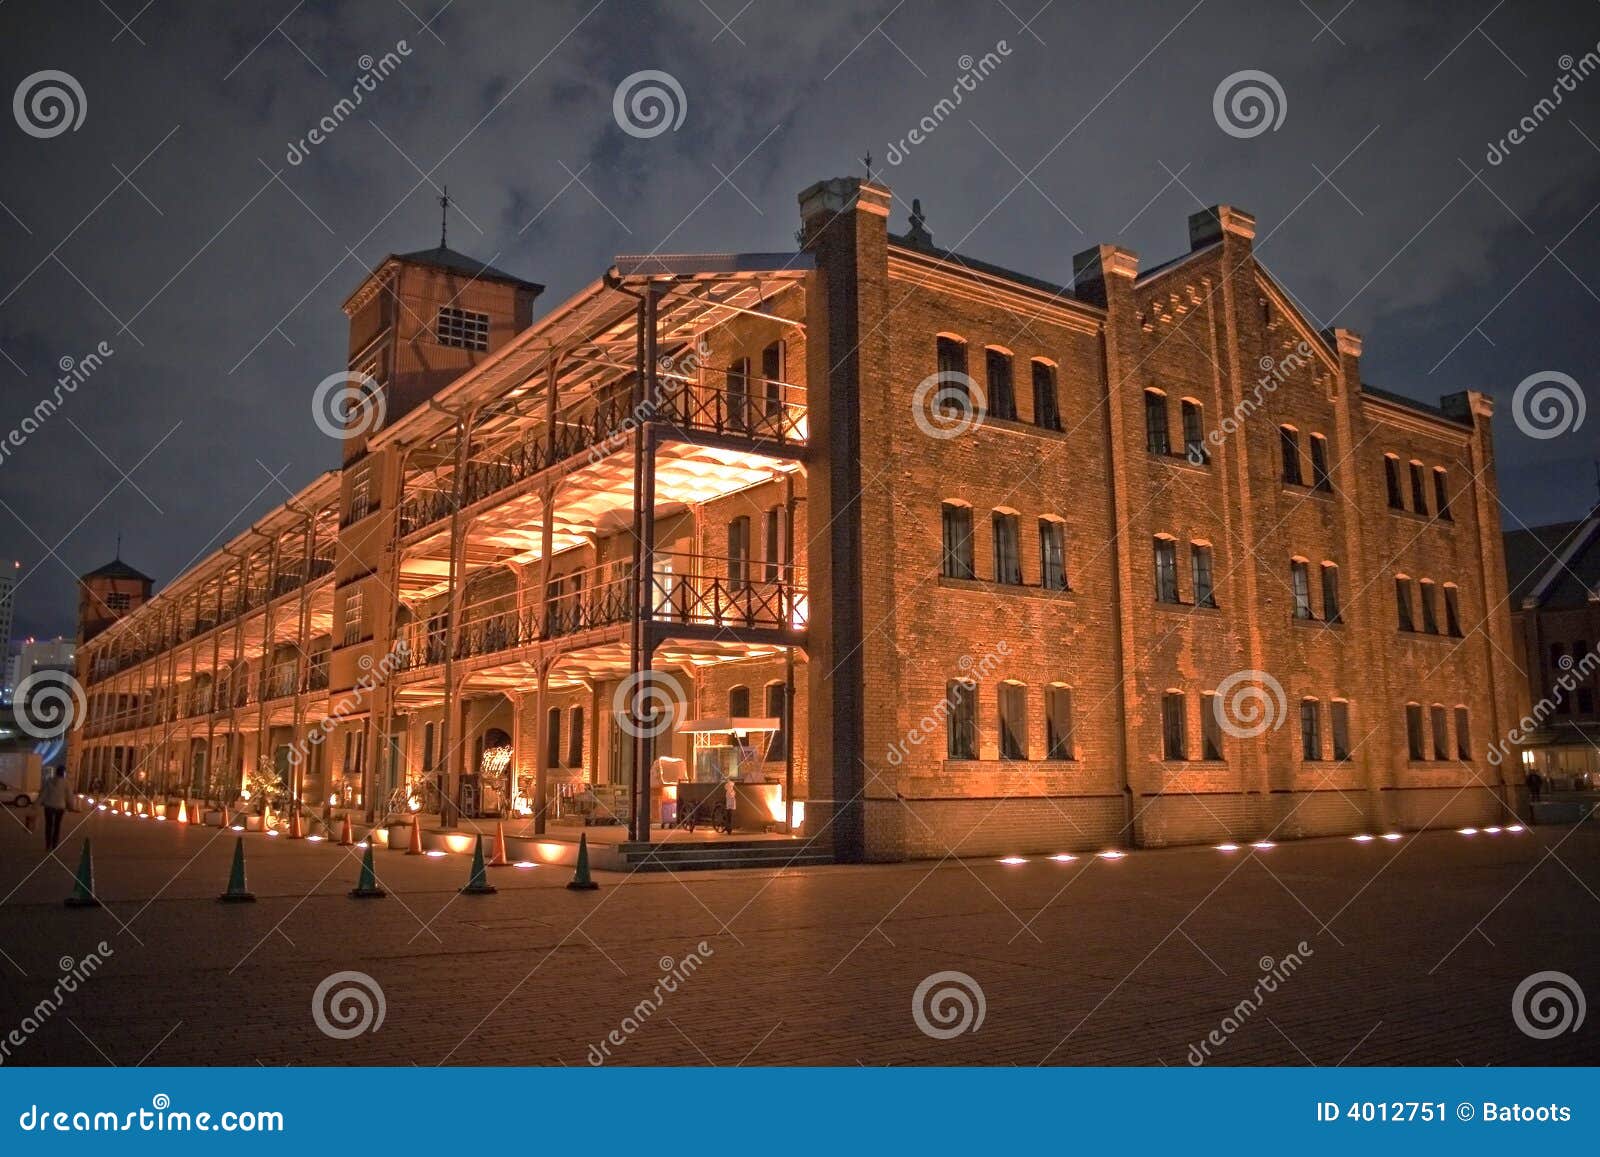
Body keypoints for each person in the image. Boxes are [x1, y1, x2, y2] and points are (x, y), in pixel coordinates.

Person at [38, 767, 70, 852]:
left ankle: (48, 845)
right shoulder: (66, 783)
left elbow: (43, 794)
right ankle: (54, 845)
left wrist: (36, 804)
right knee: (57, 826)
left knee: (48, 825)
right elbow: (69, 796)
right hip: (60, 807)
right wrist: (71, 806)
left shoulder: (49, 781)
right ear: (63, 773)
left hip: (49, 806)